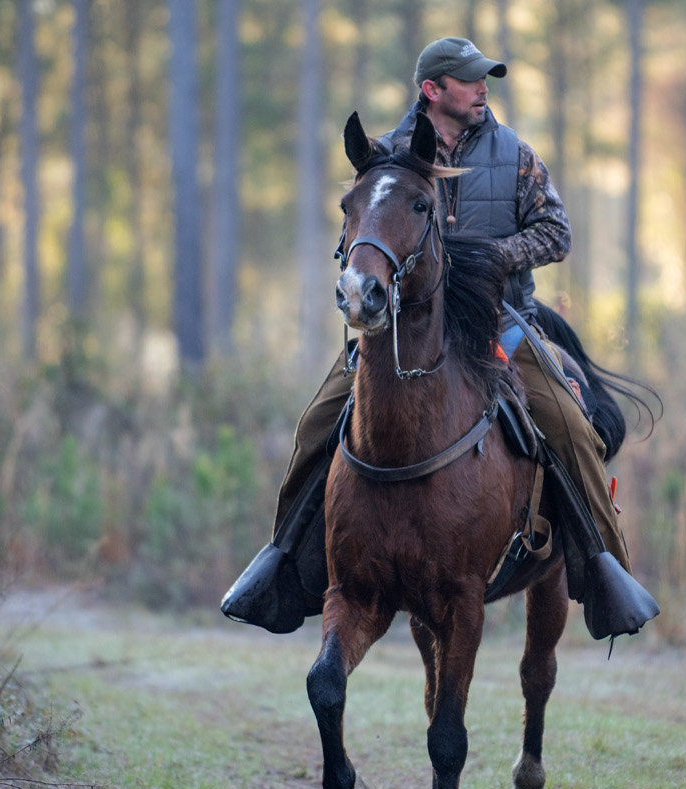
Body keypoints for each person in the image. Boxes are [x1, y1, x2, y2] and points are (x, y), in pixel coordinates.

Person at [222, 37, 657, 639]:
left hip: (499, 324)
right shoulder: (389, 156)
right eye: (471, 80)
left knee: (568, 424)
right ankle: (281, 563)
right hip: (398, 332)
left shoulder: (515, 155)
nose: (483, 89)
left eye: (486, 80)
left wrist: (491, 256)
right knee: (317, 423)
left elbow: (557, 232)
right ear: (433, 90)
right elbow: (362, 232)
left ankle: (607, 572)